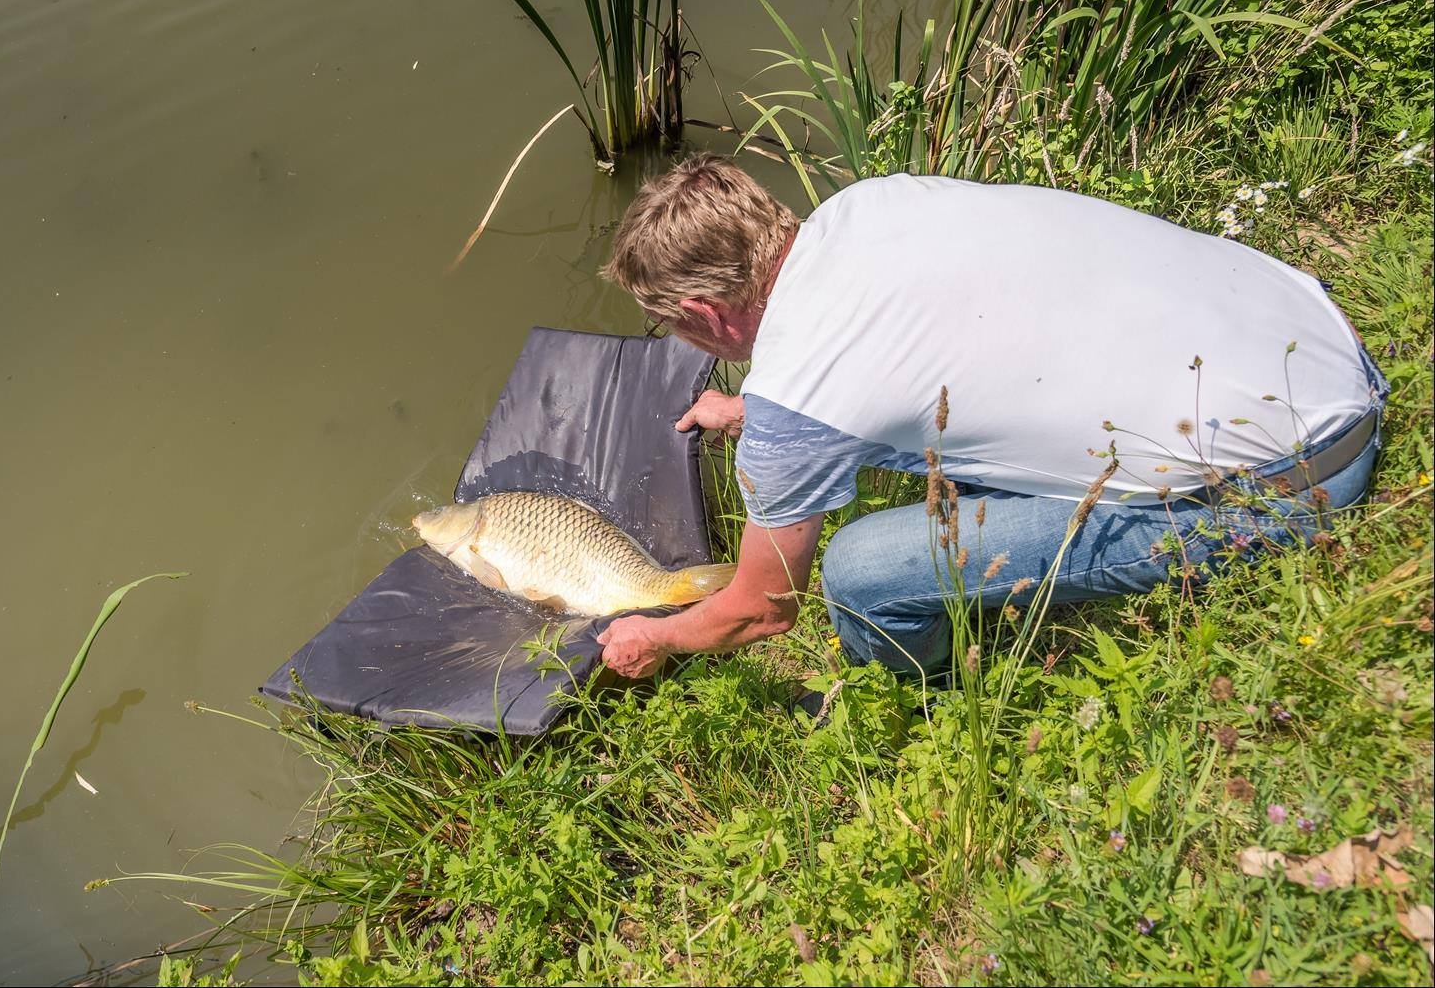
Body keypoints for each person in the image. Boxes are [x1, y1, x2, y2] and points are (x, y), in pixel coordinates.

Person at [593, 154, 1386, 680]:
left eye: (675, 324)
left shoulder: (803, 399)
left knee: (858, 572)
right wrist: (756, 411)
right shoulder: (870, 205)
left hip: (1290, 481)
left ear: (706, 314)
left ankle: (921, 696)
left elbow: (765, 607)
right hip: (1316, 336)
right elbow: (927, 347)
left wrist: (654, 635)